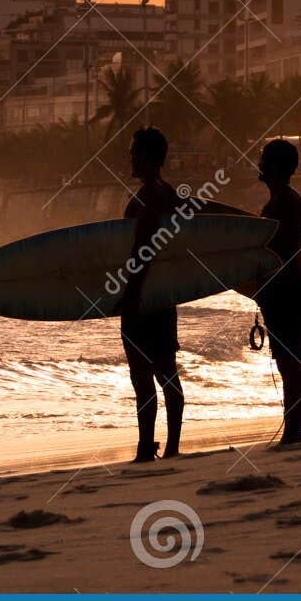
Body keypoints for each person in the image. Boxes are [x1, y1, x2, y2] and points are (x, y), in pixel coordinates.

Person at [117, 126, 184, 463]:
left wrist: (129, 294)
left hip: (143, 300)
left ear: (147, 156)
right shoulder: (168, 192)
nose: (130, 157)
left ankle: (147, 447)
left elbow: (142, 249)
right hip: (163, 296)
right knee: (166, 371)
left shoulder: (147, 196)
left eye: (134, 151)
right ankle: (171, 445)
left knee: (143, 377)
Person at [255, 138, 301, 447]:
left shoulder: (286, 203)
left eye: (263, 159)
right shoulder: (284, 199)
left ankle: (294, 434)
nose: (259, 164)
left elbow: (280, 248)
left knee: (290, 362)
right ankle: (293, 432)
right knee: (287, 361)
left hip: (285, 288)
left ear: (275, 166)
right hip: (281, 288)